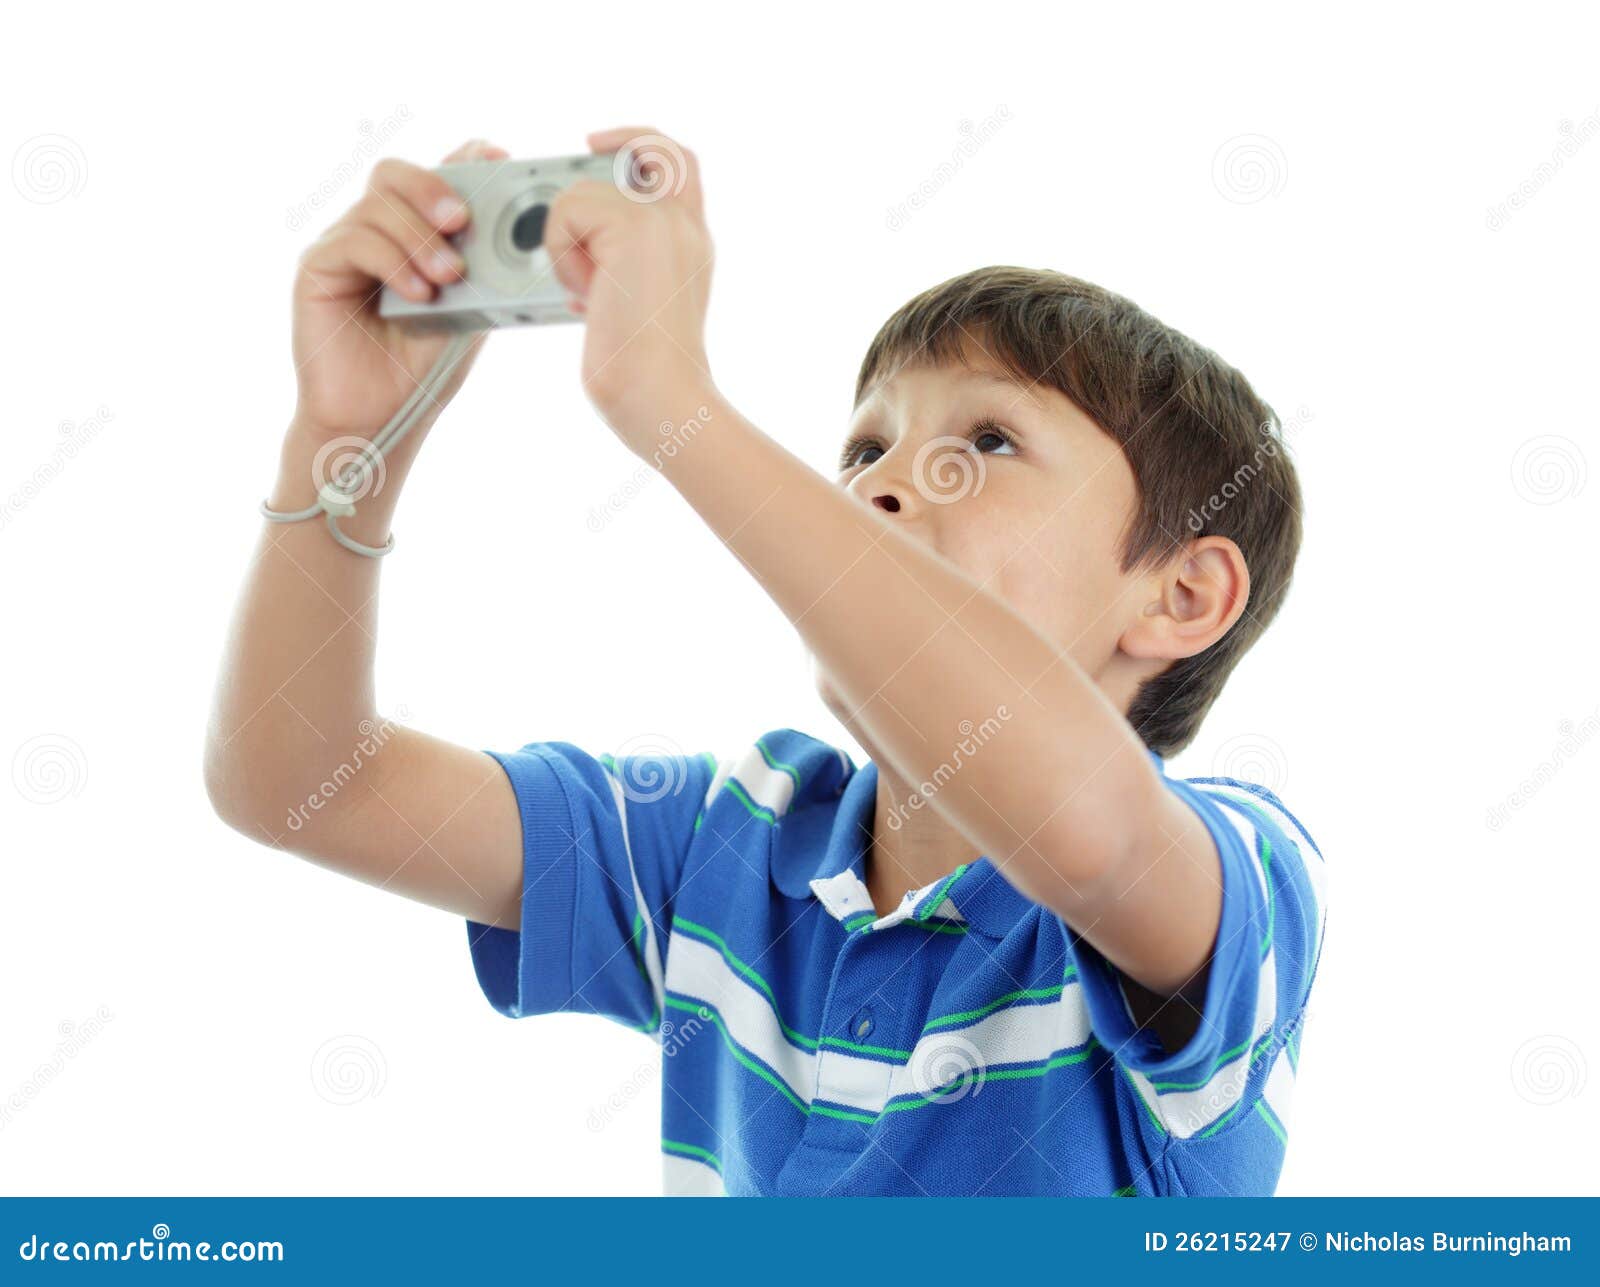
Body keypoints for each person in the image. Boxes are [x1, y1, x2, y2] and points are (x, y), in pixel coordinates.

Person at [205, 127, 1328, 1196]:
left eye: (987, 442)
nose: (883, 482)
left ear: (1184, 596)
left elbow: (1087, 832)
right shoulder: (720, 846)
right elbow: (304, 785)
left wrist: (672, 406)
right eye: (864, 448)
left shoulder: (1243, 874)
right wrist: (344, 443)